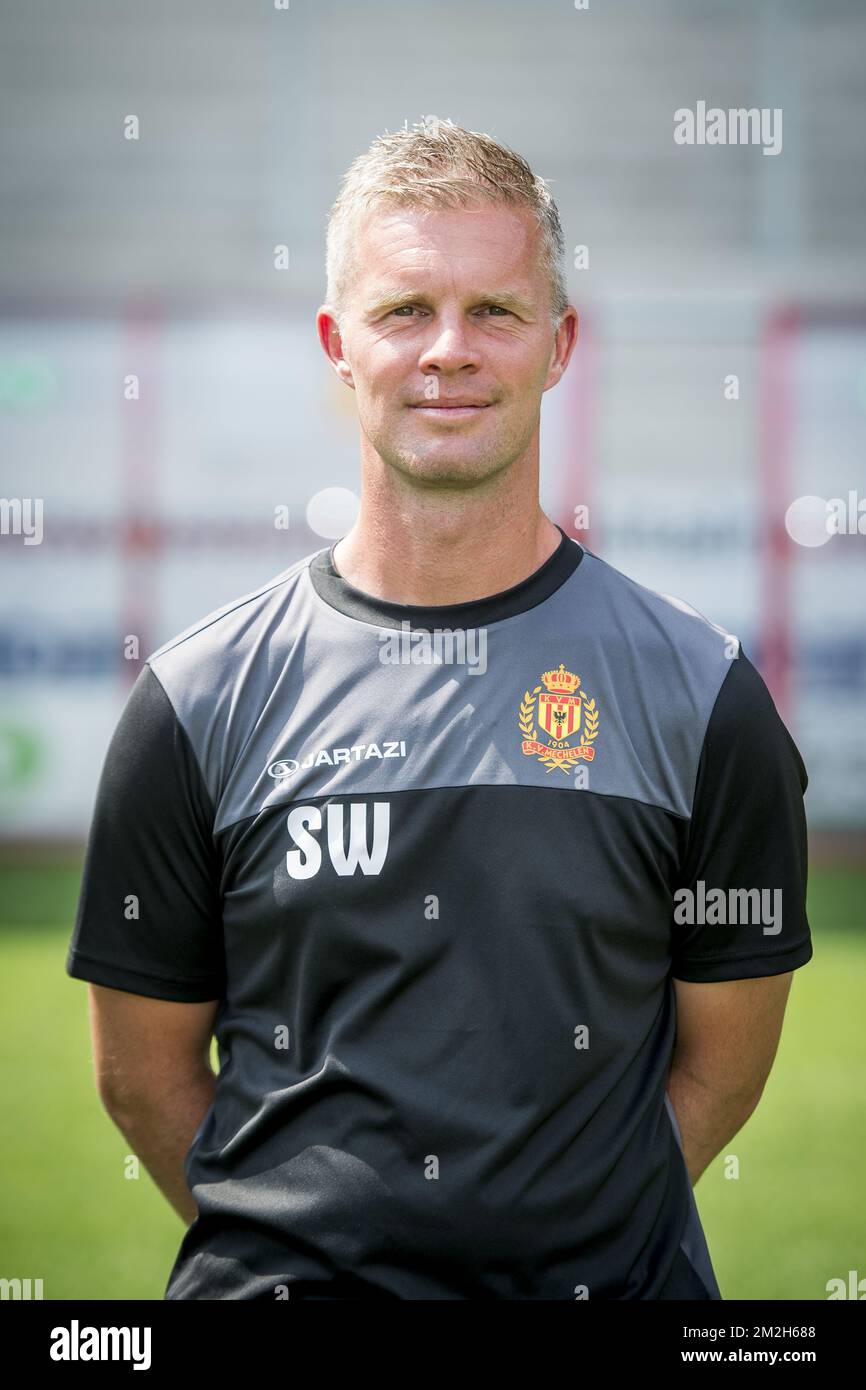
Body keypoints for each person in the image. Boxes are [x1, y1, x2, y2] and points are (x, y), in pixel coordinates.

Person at [66, 118, 812, 1300]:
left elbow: (723, 1058)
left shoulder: (699, 694)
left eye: (496, 312)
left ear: (558, 344)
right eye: (404, 309)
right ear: (337, 342)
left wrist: (576, 1243)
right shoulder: (194, 698)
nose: (449, 351)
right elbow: (141, 1072)